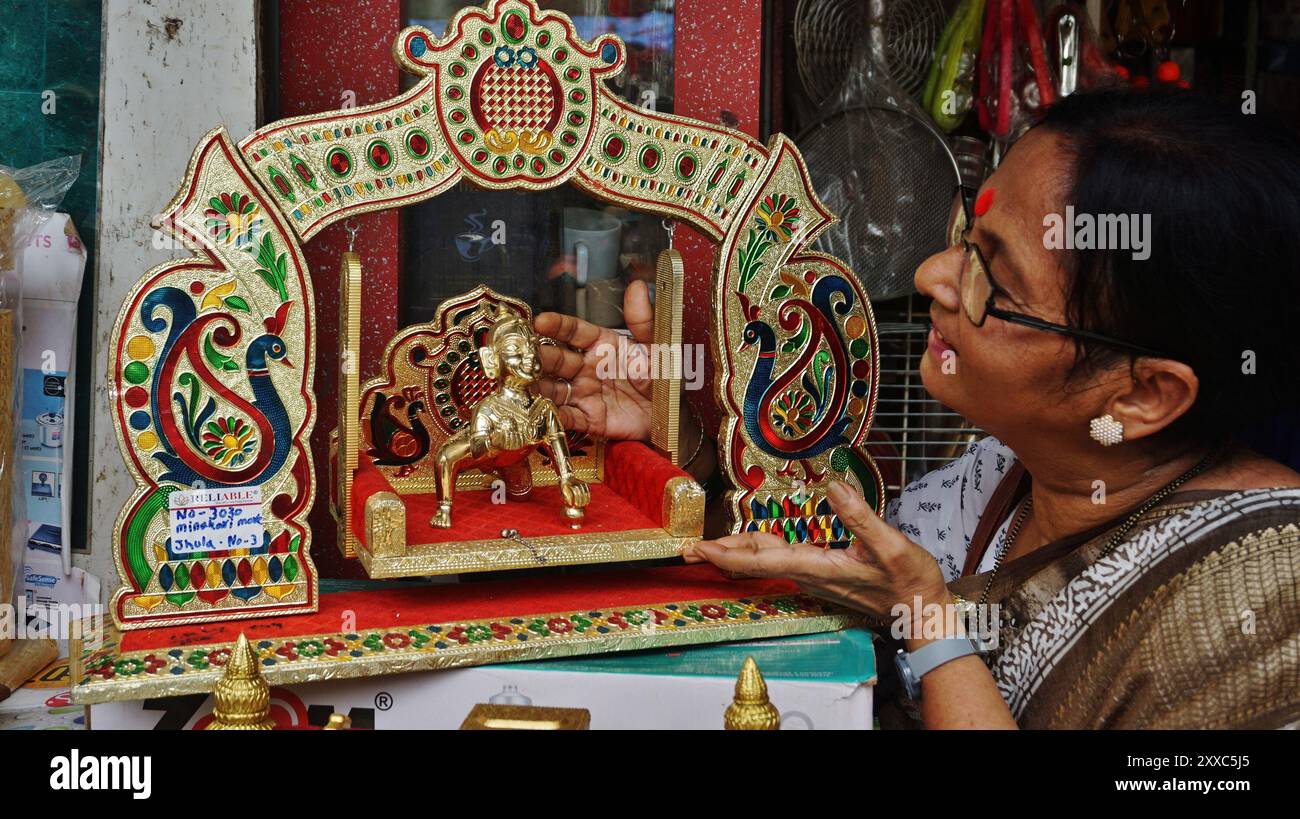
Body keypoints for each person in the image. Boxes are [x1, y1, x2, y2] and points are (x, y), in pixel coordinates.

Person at [533, 89, 1300, 729]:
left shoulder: (1265, 600)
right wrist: (680, 438)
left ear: (1143, 394)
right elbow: (806, 557)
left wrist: (932, 624)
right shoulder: (1003, 473)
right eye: (966, 235)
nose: (934, 273)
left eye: (990, 280)